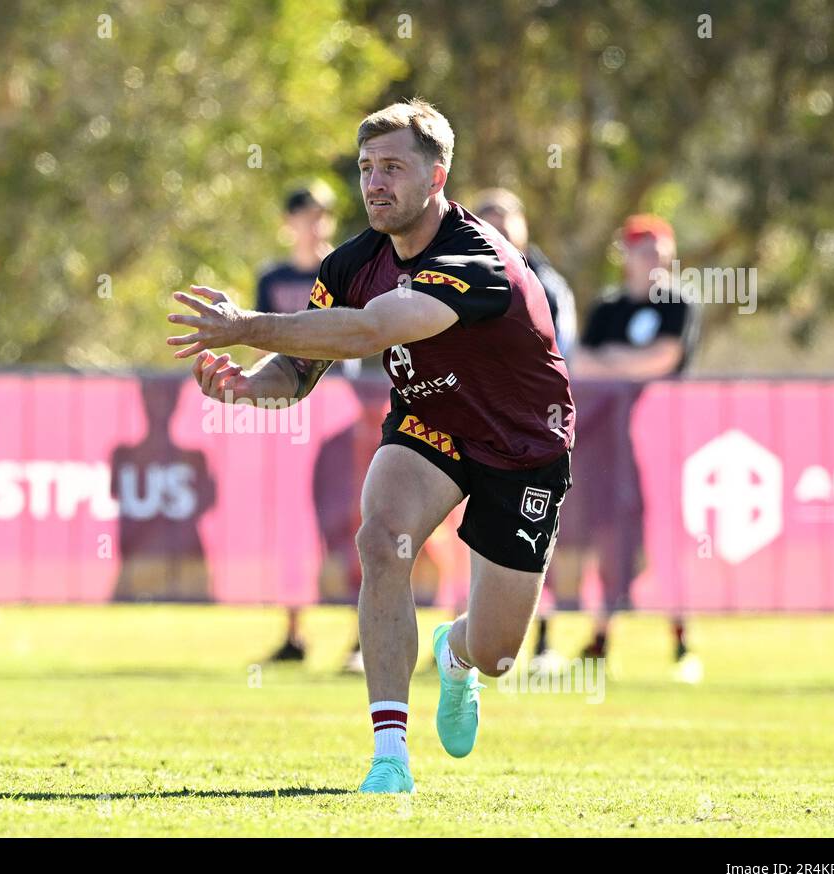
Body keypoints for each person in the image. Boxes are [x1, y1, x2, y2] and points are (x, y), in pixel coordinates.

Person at [167, 99, 574, 793]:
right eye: (365, 168)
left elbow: (364, 333)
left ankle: (455, 653)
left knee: (500, 652)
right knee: (382, 537)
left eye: (392, 166)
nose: (374, 182)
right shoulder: (354, 261)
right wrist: (244, 388)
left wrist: (245, 324)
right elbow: (298, 373)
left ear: (437, 175)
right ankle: (390, 756)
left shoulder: (476, 259)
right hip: (431, 423)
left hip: (521, 441)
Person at [544, 214, 703, 679]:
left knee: (665, 539)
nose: (652, 259)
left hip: (661, 443)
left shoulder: (679, 304)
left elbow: (663, 359)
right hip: (607, 446)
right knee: (608, 536)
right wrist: (625, 364)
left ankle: (681, 642)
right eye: (642, 249)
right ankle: (599, 638)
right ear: (626, 256)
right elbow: (584, 364)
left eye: (659, 249)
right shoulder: (608, 308)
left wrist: (616, 362)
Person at [253, 185, 365, 672]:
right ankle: (294, 633)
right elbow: (260, 338)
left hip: (338, 418)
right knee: (295, 527)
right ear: (288, 221)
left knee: (350, 523)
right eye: (305, 215)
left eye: (321, 216)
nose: (315, 225)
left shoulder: (341, 270)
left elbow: (358, 342)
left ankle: (361, 638)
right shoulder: (273, 278)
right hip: (290, 417)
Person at [470, 188, 577, 358]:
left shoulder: (549, 287)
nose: (498, 242)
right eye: (489, 234)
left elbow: (561, 350)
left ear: (523, 227)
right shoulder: (461, 283)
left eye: (504, 233)